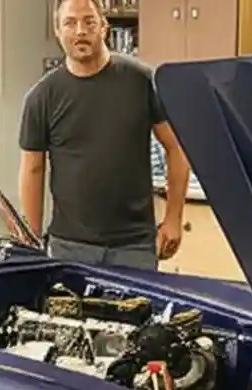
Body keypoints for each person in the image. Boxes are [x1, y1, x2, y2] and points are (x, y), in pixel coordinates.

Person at [18, 0, 191, 270]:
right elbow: (32, 169)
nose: (80, 31)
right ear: (58, 31)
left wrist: (173, 218)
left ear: (104, 27)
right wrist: (31, 241)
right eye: (70, 23)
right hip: (69, 247)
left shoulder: (142, 81)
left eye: (89, 21)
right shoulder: (42, 98)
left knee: (138, 312)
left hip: (134, 246)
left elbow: (177, 148)